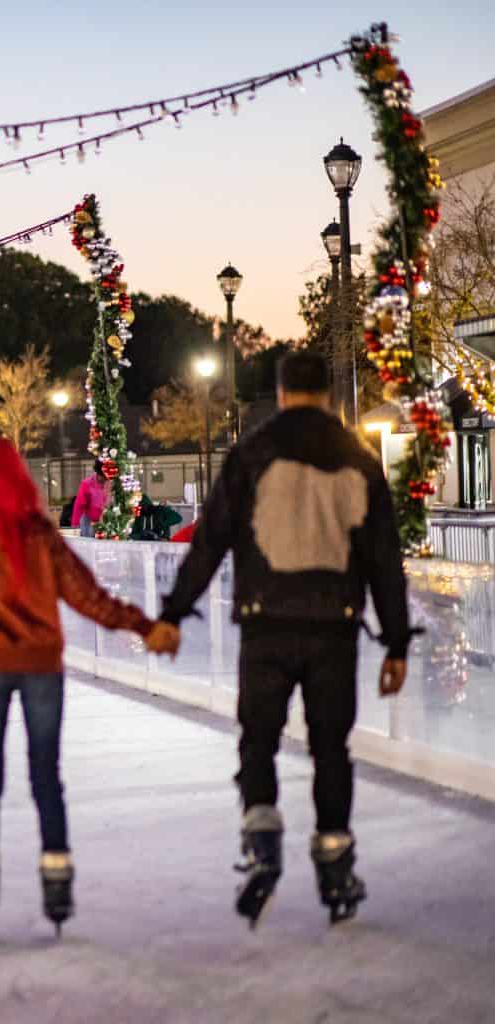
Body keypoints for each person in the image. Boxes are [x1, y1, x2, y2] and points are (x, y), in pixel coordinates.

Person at [156, 351, 410, 928]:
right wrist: (396, 644)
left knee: (258, 739)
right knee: (330, 750)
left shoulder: (251, 453)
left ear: (280, 389)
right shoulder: (359, 458)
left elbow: (210, 541)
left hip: (264, 622)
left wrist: (173, 613)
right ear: (327, 391)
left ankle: (263, 840)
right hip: (333, 627)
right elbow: (384, 560)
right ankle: (334, 859)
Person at [0, 438, 176, 936]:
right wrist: (146, 627)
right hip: (41, 666)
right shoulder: (38, 535)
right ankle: (57, 881)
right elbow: (88, 597)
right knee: (45, 777)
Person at [71, 462, 108, 537]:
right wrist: (75, 524)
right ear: (98, 473)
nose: (105, 479)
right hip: (89, 521)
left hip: (105, 521)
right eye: (103, 476)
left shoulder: (109, 484)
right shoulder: (87, 484)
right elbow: (79, 504)